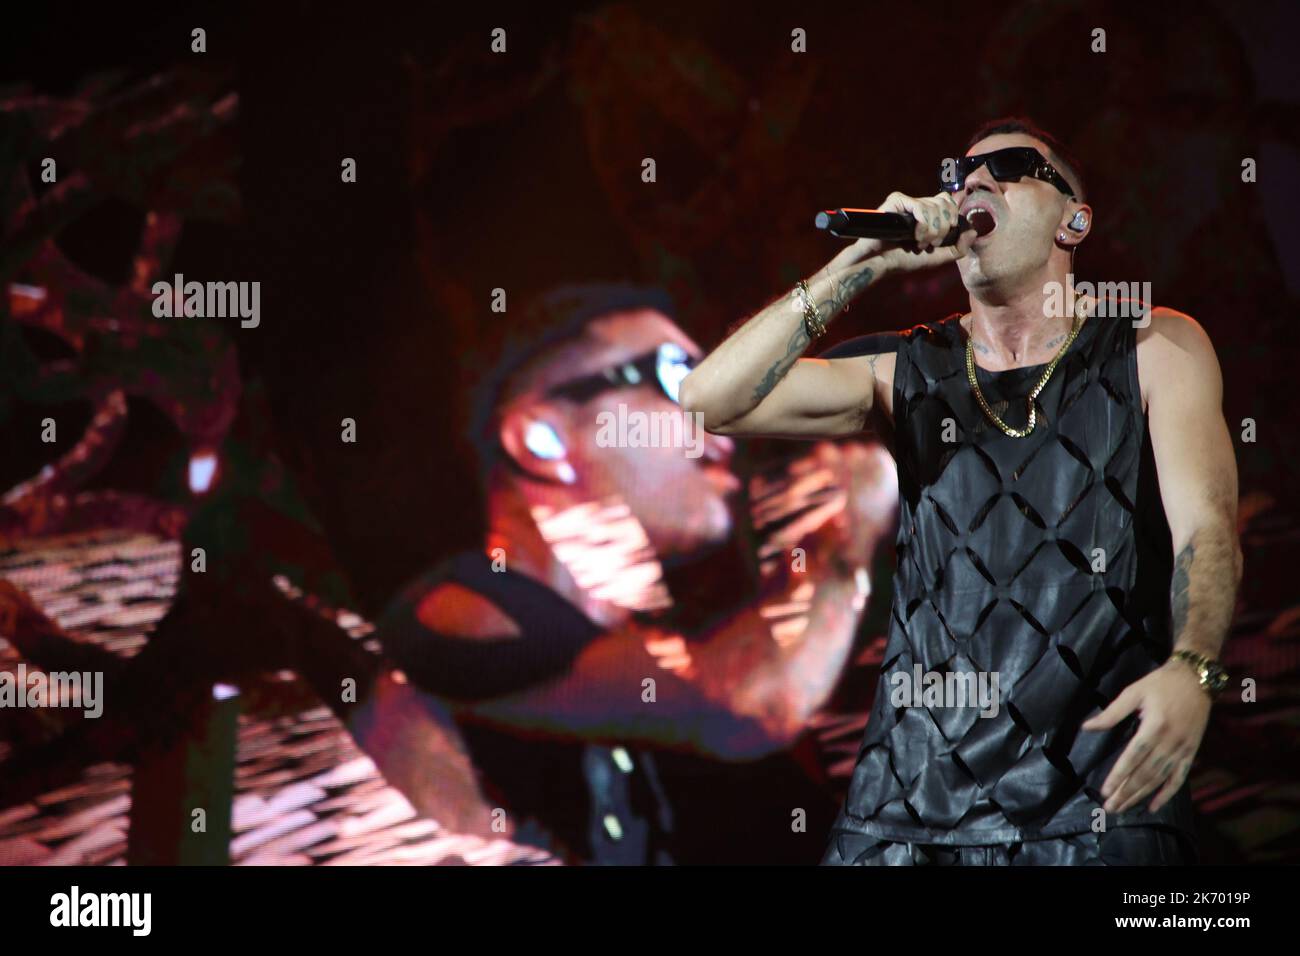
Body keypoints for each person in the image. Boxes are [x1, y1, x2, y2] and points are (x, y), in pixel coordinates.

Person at [680, 117, 1243, 866]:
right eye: (961, 174)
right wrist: (858, 267)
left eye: (1010, 167)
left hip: (1099, 803)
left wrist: (1194, 667)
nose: (973, 181)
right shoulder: (902, 369)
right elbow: (708, 402)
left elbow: (1207, 527)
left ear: (1074, 222)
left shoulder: (1154, 346)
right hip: (905, 811)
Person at [374, 283, 898, 864]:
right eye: (679, 378)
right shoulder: (453, 612)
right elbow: (755, 705)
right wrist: (845, 535)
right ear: (541, 439)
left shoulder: (640, 634)